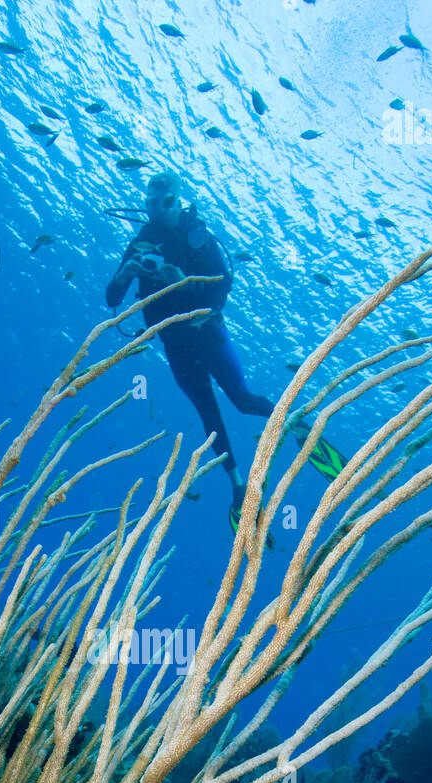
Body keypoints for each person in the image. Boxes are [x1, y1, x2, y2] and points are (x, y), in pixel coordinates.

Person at [105, 171, 277, 538]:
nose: (157, 210)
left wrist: (181, 277)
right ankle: (237, 485)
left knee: (243, 401)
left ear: (178, 199)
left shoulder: (197, 236)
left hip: (208, 335)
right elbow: (111, 299)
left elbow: (222, 286)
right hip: (175, 345)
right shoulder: (140, 244)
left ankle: (291, 420)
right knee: (207, 414)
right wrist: (125, 275)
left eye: (165, 201)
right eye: (150, 203)